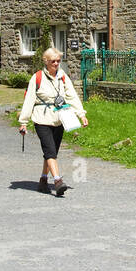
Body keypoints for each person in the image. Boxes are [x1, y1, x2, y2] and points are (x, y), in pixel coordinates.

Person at [18, 47, 88, 196]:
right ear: (46, 61)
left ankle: (43, 180)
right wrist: (23, 122)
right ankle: (57, 181)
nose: (56, 64)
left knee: (52, 152)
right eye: (53, 61)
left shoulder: (63, 77)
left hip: (59, 119)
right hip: (41, 119)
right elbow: (29, 100)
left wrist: (81, 114)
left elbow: (72, 96)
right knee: (49, 150)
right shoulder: (37, 77)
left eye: (58, 61)